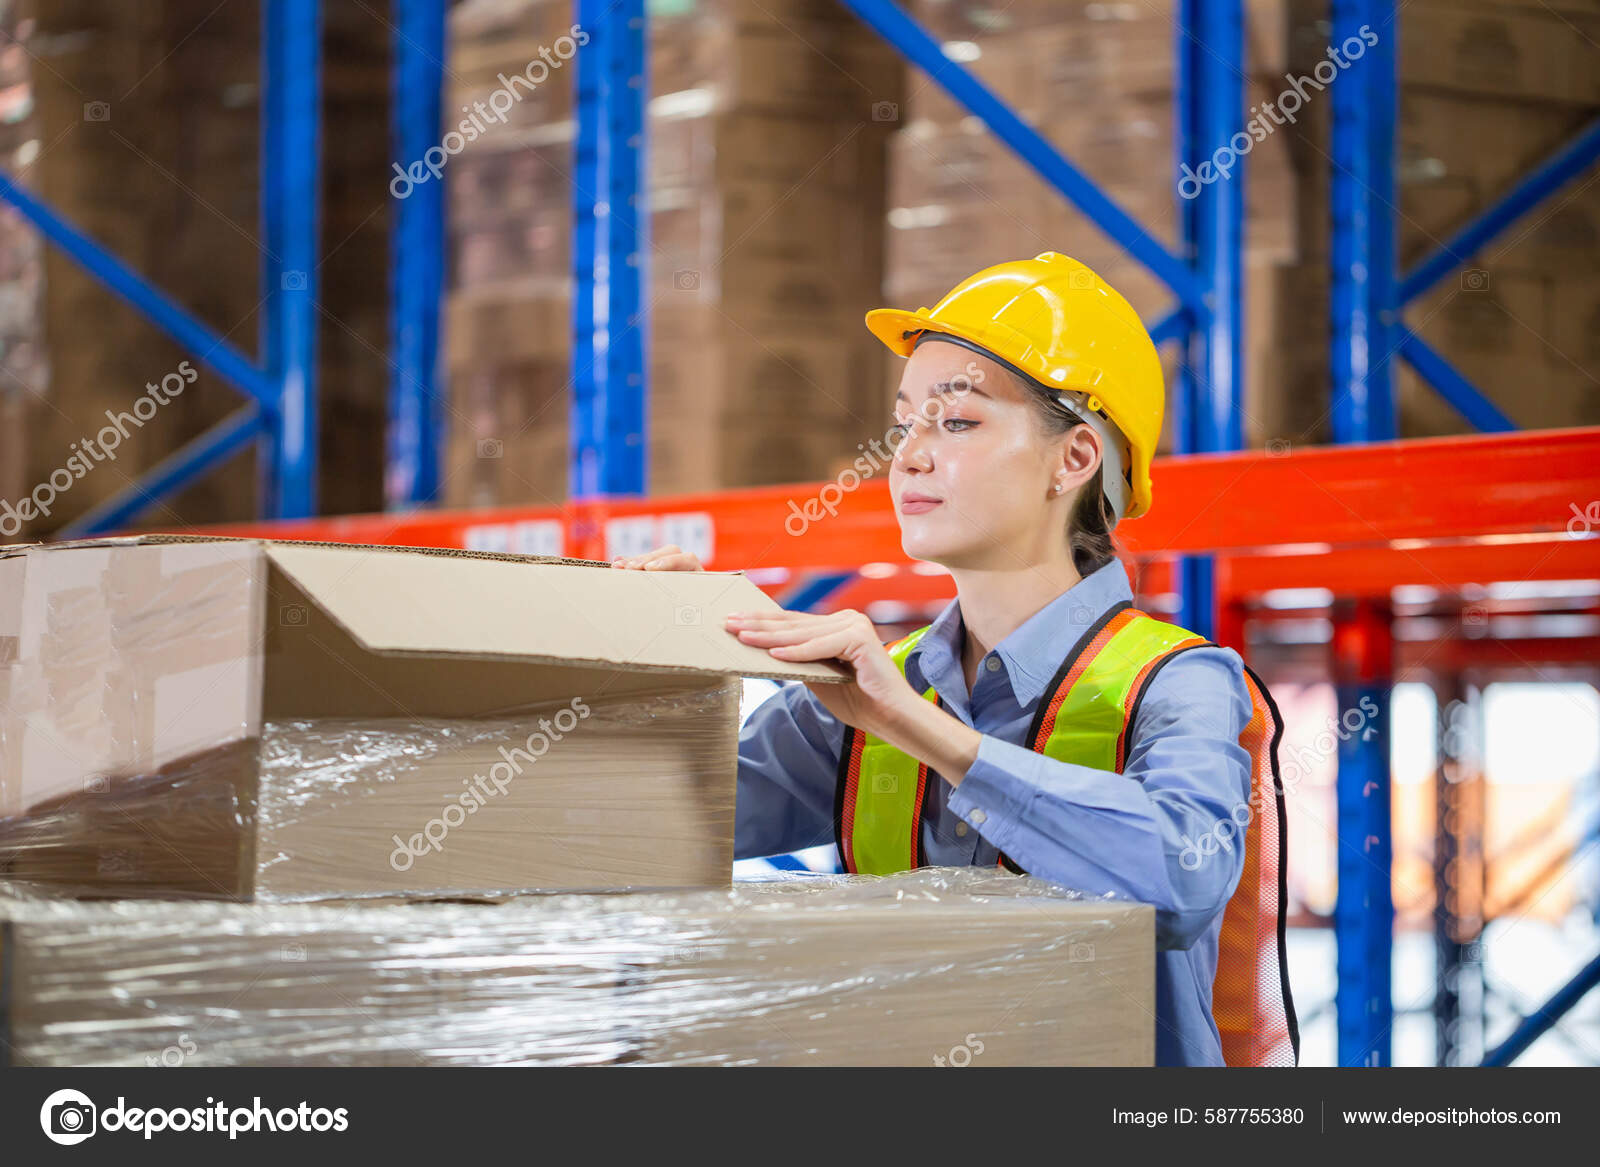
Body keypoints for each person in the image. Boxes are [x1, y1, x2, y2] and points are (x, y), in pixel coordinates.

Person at [614, 252, 1296, 1067]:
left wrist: (919, 729)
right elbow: (640, 825)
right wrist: (659, 662)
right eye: (907, 423)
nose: (907, 456)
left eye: (958, 421)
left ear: (1074, 459)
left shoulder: (1178, 681)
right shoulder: (864, 689)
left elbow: (1181, 882)